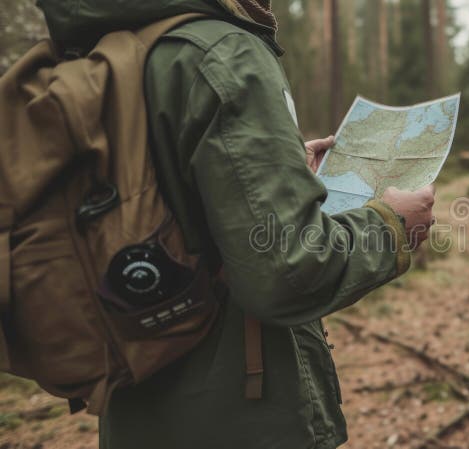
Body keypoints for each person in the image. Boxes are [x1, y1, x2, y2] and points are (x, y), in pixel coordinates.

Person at [35, 1, 435, 448]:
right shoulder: (223, 51)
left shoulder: (113, 50)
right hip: (243, 414)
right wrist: (392, 225)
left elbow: (170, 200)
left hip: (138, 406)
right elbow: (290, 269)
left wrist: (274, 175)